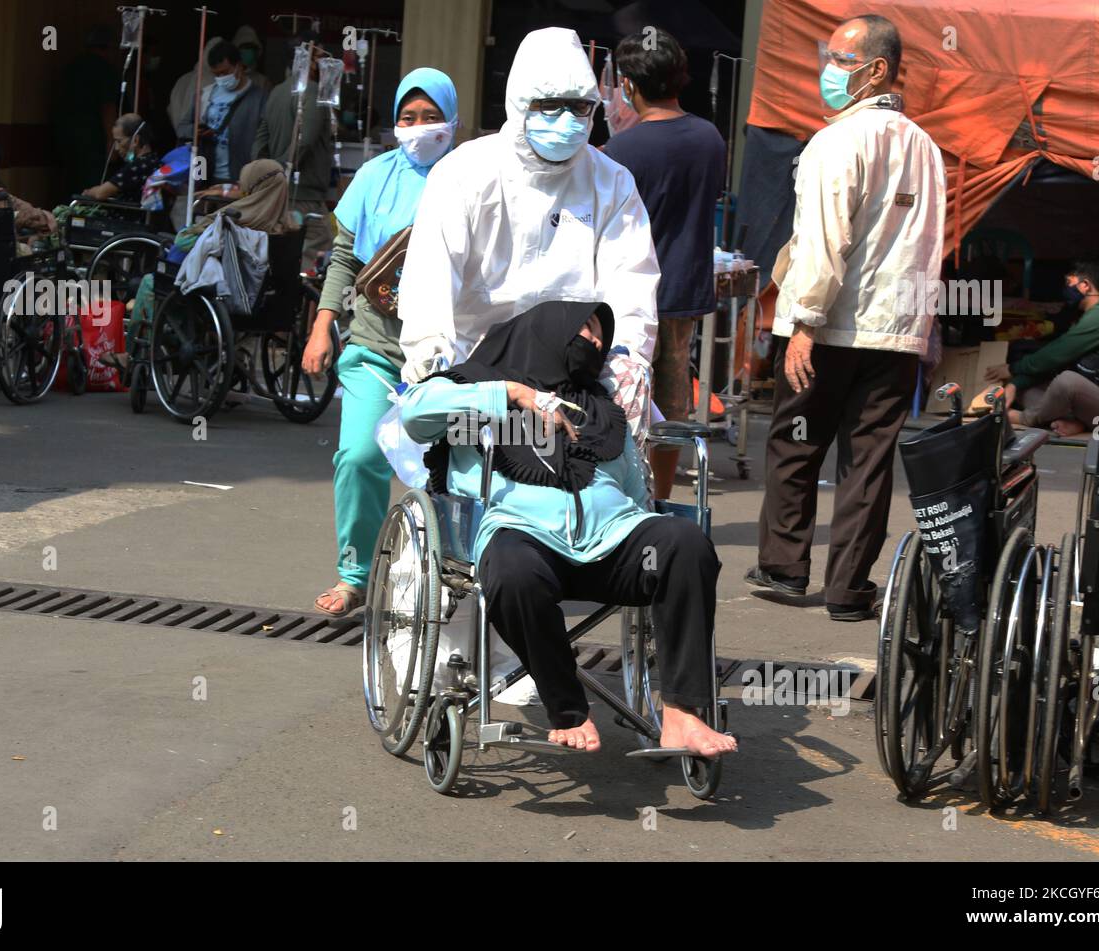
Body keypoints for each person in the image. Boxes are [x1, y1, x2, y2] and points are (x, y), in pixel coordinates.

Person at [400, 302, 737, 757]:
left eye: (601, 337)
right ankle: (568, 709)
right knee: (513, 573)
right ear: (545, 332)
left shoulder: (599, 410)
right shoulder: (473, 387)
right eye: (586, 331)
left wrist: (646, 522)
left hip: (612, 540)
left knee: (684, 543)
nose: (595, 344)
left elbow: (634, 491)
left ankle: (682, 712)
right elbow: (414, 413)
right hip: (523, 536)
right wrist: (515, 394)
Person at [745, 14, 946, 621]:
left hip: (830, 326)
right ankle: (849, 588)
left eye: (839, 59)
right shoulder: (926, 148)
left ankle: (784, 569)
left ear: (876, 69)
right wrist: (923, 330)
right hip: (893, 333)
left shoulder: (837, 142)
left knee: (798, 443)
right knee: (867, 460)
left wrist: (802, 321)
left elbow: (822, 243)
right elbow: (928, 245)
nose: (826, 71)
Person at [397, 27, 660, 449]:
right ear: (519, 104)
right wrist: (433, 360)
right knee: (485, 472)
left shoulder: (611, 182)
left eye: (579, 107)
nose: (567, 120)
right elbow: (431, 275)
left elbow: (632, 278)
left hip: (577, 373)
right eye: (549, 106)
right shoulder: (465, 174)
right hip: (482, 370)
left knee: (603, 475)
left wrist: (625, 354)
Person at [302, 68, 458, 618]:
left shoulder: (470, 177)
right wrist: (323, 325)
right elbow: (344, 255)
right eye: (408, 118)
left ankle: (455, 577)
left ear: (451, 119)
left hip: (447, 350)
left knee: (450, 469)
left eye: (431, 117)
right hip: (374, 341)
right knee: (360, 455)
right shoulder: (373, 176)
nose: (419, 128)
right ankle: (356, 573)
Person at [602, 28, 726, 499]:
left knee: (624, 389)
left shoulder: (621, 151)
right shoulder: (710, 138)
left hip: (630, 292)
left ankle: (621, 492)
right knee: (673, 390)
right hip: (685, 286)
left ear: (629, 84)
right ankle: (663, 496)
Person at [107, 159, 289, 366]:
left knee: (151, 283)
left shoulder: (233, 219)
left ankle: (132, 354)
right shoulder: (288, 227)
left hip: (221, 295)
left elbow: (183, 242)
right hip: (267, 304)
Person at [985, 261, 1099, 436]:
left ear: (1085, 285)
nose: (1066, 288)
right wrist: (1015, 383)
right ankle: (1073, 421)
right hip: (1088, 399)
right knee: (1025, 390)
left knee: (1066, 380)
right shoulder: (1094, 313)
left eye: (1069, 283)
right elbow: (1058, 362)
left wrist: (1012, 368)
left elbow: (1056, 354)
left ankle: (1027, 418)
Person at [254, 37, 336, 263]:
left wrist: (263, 174)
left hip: (279, 193)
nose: (326, 63)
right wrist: (281, 172)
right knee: (316, 254)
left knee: (281, 257)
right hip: (304, 195)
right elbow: (305, 141)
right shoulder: (314, 94)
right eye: (321, 57)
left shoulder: (277, 91)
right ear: (306, 60)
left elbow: (261, 137)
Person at [173, 40, 268, 227]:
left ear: (239, 66)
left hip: (240, 175)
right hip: (204, 172)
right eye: (216, 75)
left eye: (225, 72)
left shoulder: (259, 98)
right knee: (202, 225)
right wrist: (197, 132)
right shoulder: (205, 95)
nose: (222, 78)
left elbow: (265, 137)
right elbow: (182, 127)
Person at [54, 25, 121, 195]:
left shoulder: (71, 68)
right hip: (93, 140)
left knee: (71, 182)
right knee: (92, 185)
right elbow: (108, 107)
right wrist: (111, 142)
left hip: (67, 137)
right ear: (108, 48)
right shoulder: (105, 71)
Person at [80, 114, 162, 204]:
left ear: (136, 140)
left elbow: (101, 193)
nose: (116, 148)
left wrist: (89, 192)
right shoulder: (154, 160)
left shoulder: (137, 166)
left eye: (119, 141)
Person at [167, 35, 222, 134]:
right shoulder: (211, 81)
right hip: (200, 138)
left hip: (183, 136)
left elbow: (171, 109)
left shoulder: (184, 78)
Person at [233, 25, 273, 95]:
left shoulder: (263, 82)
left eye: (250, 48)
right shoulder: (230, 79)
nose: (247, 51)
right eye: (244, 47)